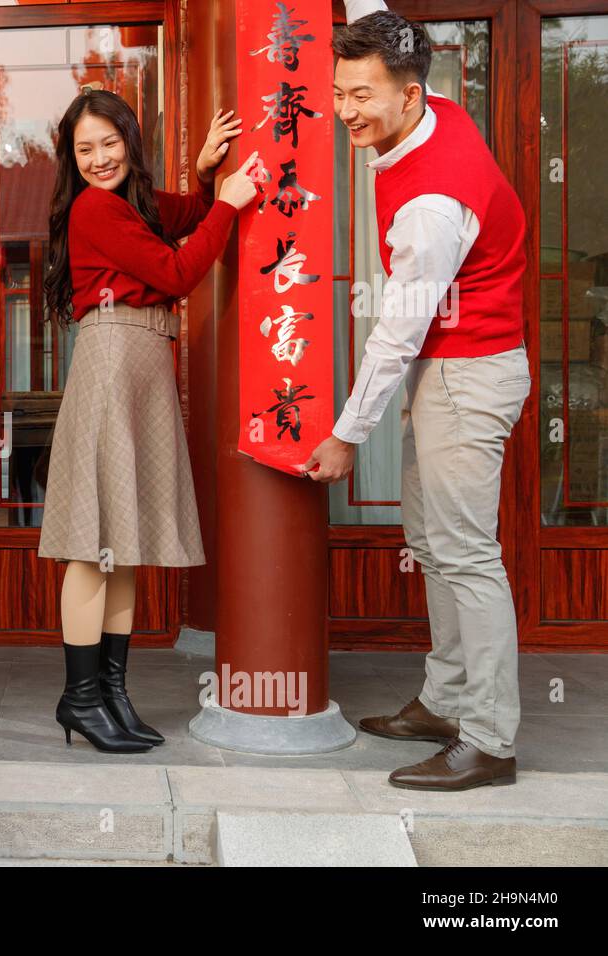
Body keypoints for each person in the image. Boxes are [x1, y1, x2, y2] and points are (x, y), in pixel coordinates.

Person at [304, 1, 530, 791]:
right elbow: (376, 14)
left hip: (469, 374)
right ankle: (444, 700)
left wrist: (345, 434)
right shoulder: (431, 105)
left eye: (362, 96)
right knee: (433, 546)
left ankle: (491, 739)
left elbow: (395, 334)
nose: (345, 111)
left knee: (468, 558)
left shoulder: (432, 209)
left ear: (407, 94)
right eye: (339, 91)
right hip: (448, 370)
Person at [38, 87, 257, 753]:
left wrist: (204, 177)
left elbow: (180, 212)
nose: (99, 158)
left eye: (110, 143)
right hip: (111, 359)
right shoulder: (93, 210)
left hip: (141, 361)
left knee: (122, 543)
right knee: (94, 542)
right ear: (70, 161)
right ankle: (80, 698)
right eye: (84, 150)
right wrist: (227, 205)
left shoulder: (130, 202)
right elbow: (178, 267)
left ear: (131, 143)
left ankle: (111, 693)